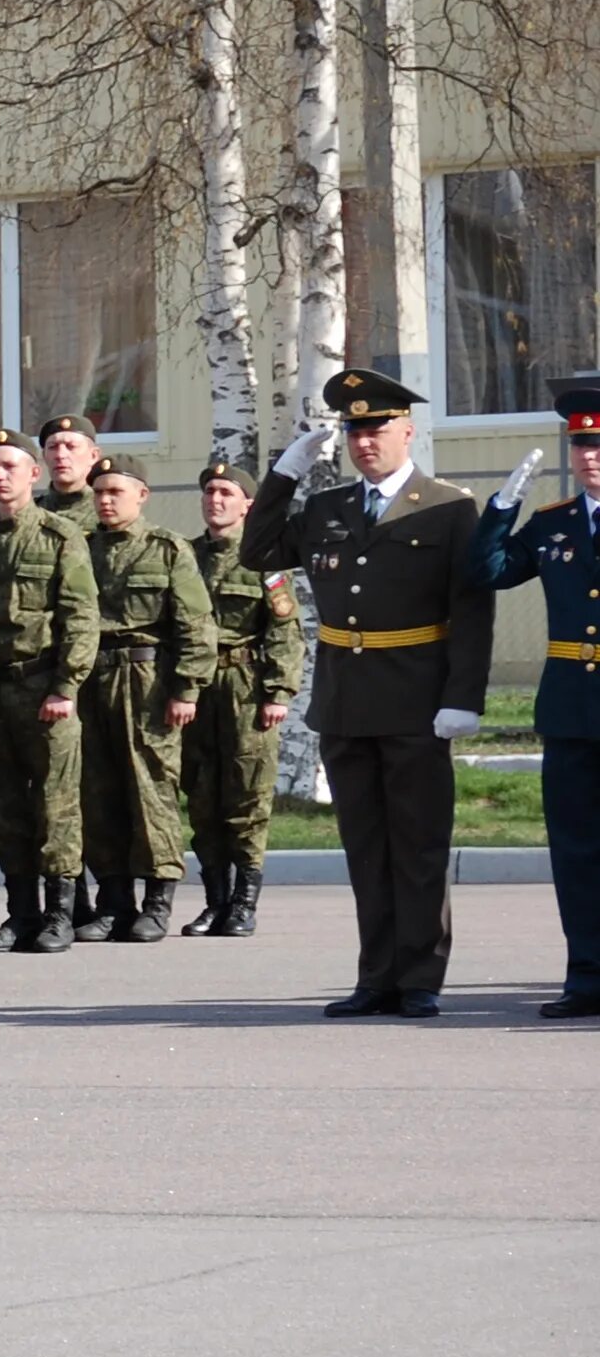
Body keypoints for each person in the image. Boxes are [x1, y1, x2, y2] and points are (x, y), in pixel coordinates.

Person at [243, 370, 494, 1016]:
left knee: (418, 846)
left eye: (377, 427)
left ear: (407, 431)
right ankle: (376, 975)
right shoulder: (328, 509)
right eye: (354, 429)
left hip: (416, 698)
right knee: (366, 847)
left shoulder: (447, 507)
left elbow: (470, 610)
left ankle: (419, 978)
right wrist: (284, 476)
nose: (364, 440)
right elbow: (257, 549)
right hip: (347, 702)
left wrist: (463, 695)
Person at [465, 374, 600, 1016]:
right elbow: (486, 573)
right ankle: (587, 978)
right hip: (573, 713)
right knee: (577, 853)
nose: (589, 457)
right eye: (580, 447)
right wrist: (501, 509)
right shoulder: (554, 524)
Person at [0, 428, 98, 956]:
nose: (0, 476)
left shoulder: (59, 535)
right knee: (2, 807)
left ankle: (60, 912)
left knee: (56, 805)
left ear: (33, 475)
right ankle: (20, 913)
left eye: (11, 467)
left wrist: (67, 684)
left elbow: (80, 615)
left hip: (45, 686)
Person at [77, 456, 215, 943]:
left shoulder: (167, 549)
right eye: (99, 492)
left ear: (141, 495)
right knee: (97, 791)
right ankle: (113, 901)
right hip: (91, 678)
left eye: (116, 491)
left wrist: (187, 688)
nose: (106, 500)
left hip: (145, 679)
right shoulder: (83, 548)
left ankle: (158, 900)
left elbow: (195, 624)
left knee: (150, 788)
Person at [179, 460, 305, 938]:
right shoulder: (185, 556)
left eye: (226, 493)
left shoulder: (264, 561)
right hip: (196, 690)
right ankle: (215, 900)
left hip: (245, 687)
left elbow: (284, 630)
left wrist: (278, 691)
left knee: (246, 797)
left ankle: (244, 902)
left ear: (247, 504)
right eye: (210, 491)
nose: (216, 500)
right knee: (202, 797)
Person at [36, 415, 104, 532]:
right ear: (44, 456)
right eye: (53, 447)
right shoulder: (33, 513)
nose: (60, 455)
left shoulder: (106, 511)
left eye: (71, 447)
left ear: (93, 456)